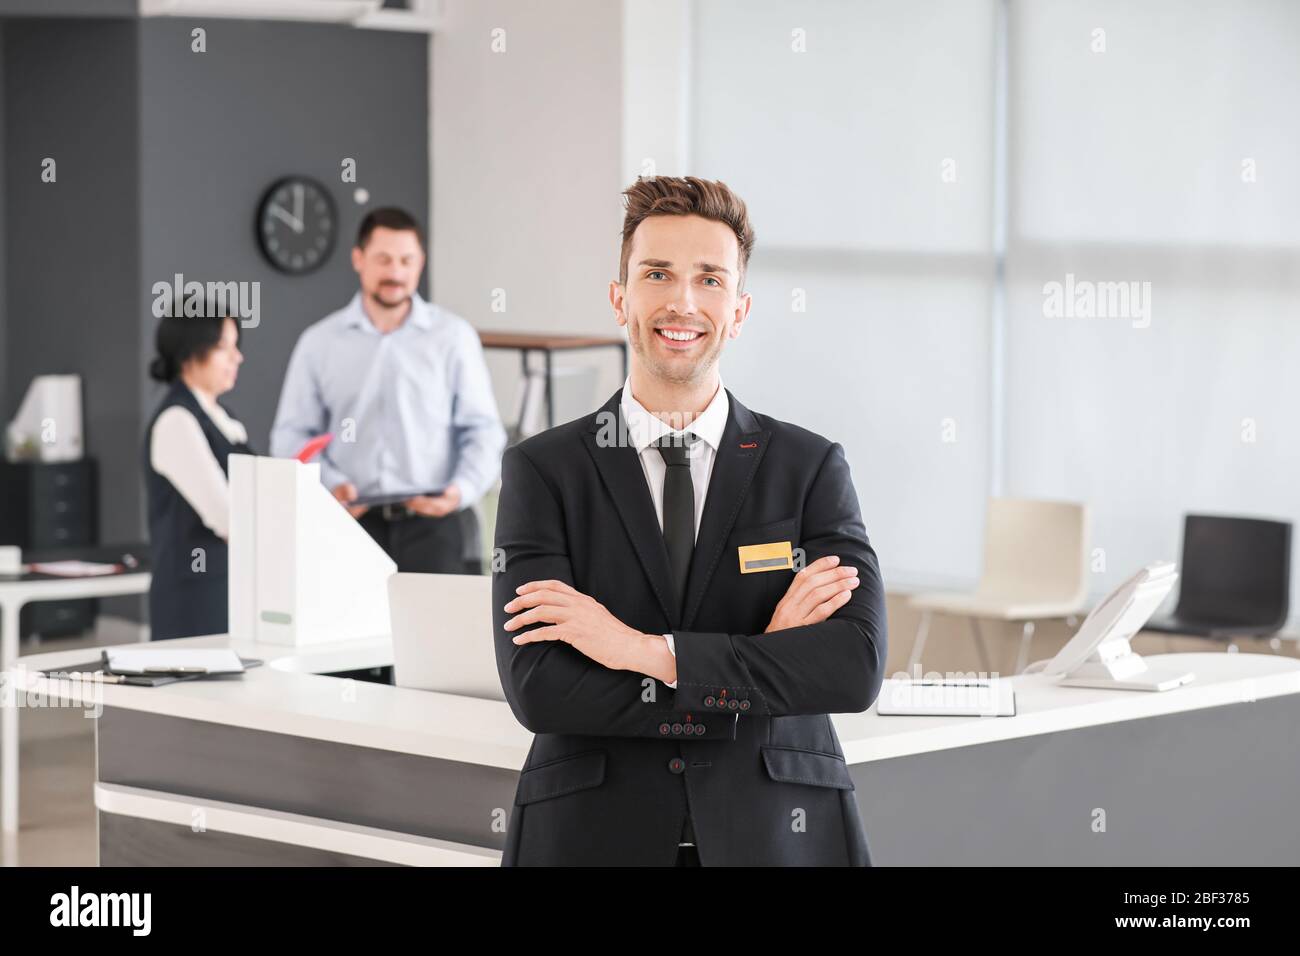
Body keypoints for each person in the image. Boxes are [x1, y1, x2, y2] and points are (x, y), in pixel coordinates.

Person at [493, 176, 887, 866]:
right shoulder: (544, 472)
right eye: (657, 274)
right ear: (620, 297)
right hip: (593, 837)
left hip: (776, 835)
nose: (682, 302)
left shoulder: (808, 468)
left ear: (739, 309)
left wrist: (639, 651)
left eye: (710, 279)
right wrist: (758, 660)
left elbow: (852, 667)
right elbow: (541, 689)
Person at [269, 207, 506, 573]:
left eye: (405, 260)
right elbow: (291, 436)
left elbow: (484, 430)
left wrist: (460, 489)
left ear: (420, 263)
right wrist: (332, 484)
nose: (395, 272)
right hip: (347, 527)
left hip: (434, 526)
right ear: (358, 259)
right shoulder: (319, 343)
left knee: (437, 631)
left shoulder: (453, 337)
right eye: (383, 259)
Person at [143, 311, 252, 641]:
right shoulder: (177, 421)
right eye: (224, 348)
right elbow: (228, 516)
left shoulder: (223, 417)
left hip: (233, 591)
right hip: (196, 599)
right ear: (191, 353)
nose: (238, 357)